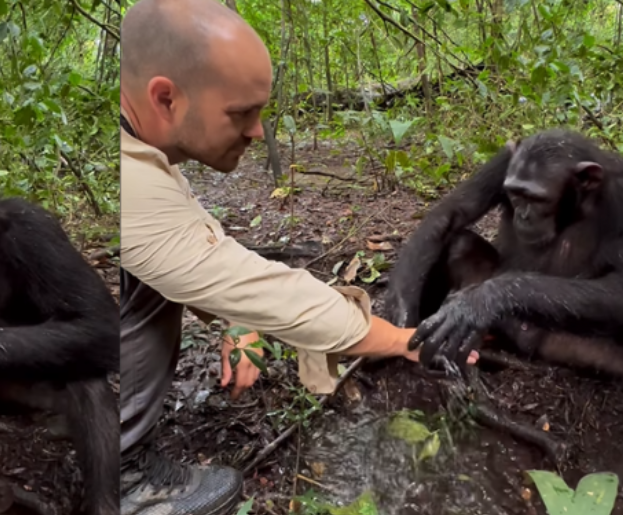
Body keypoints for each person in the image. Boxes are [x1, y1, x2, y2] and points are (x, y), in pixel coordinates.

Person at [118, 1, 477, 513]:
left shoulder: (134, 147)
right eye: (241, 113)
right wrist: (404, 341)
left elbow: (194, 244)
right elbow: (283, 299)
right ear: (165, 98)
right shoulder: (131, 189)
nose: (258, 131)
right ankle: (123, 475)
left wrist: (239, 320)